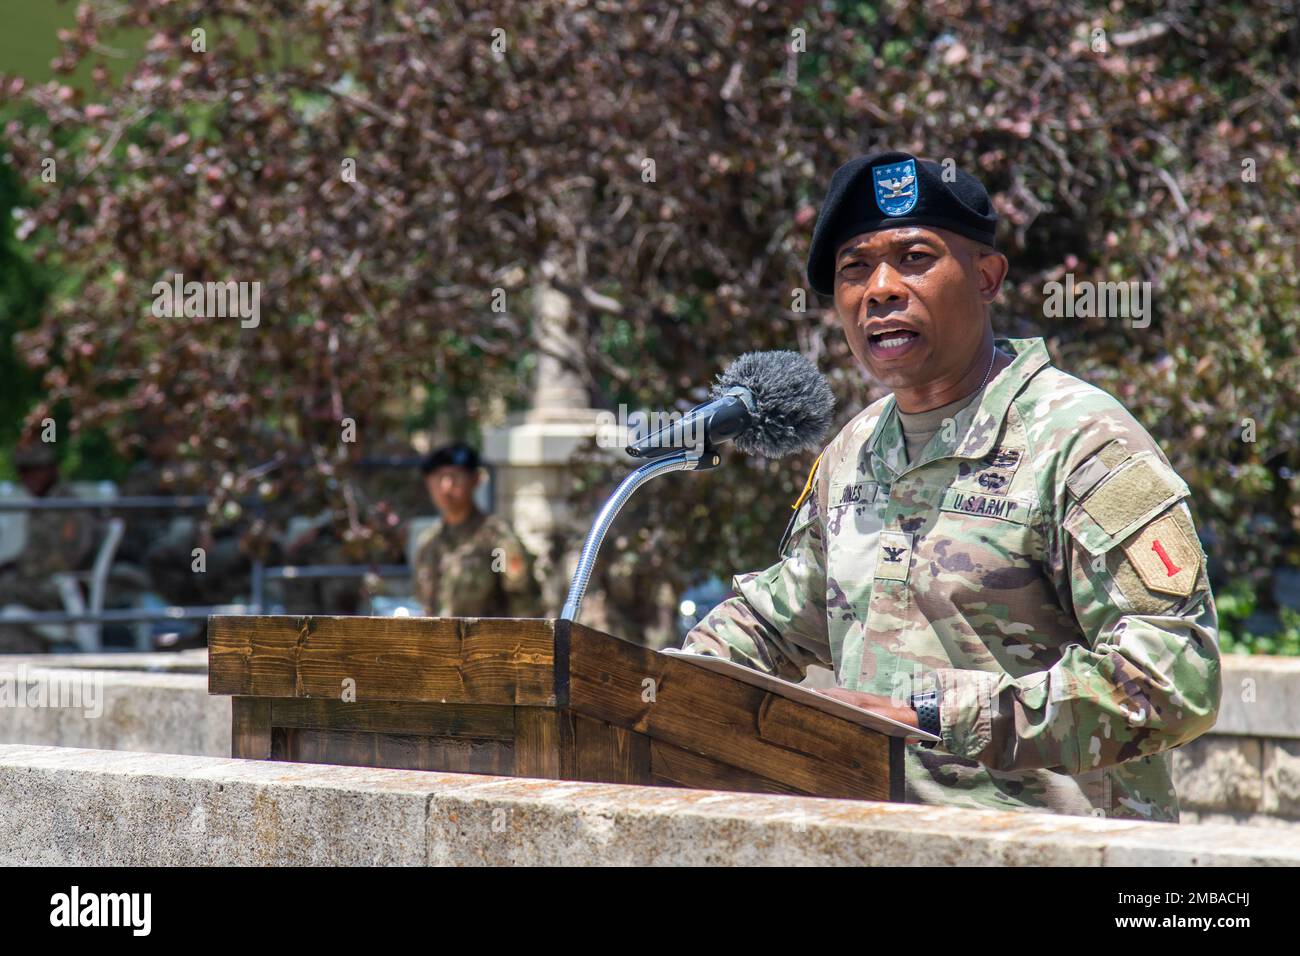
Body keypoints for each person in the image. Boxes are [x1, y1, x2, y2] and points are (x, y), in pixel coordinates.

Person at [681, 150, 1220, 822]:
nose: (880, 289)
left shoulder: (1082, 441)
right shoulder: (854, 449)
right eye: (855, 269)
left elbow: (1176, 678)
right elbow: (779, 618)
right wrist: (650, 685)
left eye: (914, 258)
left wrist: (938, 715)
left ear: (987, 276)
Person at [412, 443, 542, 618]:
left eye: (455, 476)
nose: (447, 487)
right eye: (439, 477)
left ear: (475, 480)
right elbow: (424, 605)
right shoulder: (429, 543)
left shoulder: (497, 539)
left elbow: (522, 601)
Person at [0, 440, 97, 652]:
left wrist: (21, 571)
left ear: (51, 469)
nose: (27, 477)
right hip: (36, 585)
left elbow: (67, 559)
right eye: (23, 470)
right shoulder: (42, 506)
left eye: (34, 470)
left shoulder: (68, 507)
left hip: (57, 590)